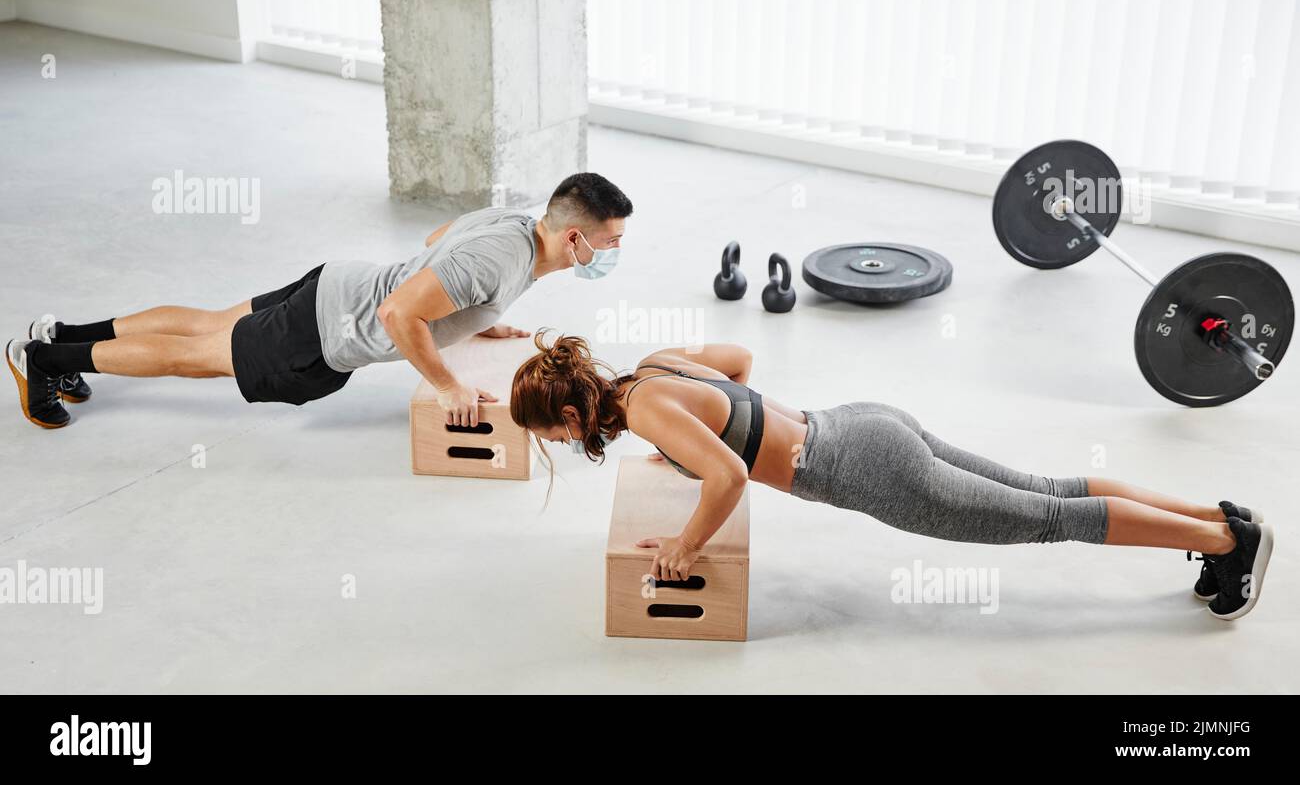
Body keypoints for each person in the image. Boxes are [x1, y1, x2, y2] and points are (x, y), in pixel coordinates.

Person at [509, 333, 1274, 621]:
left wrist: (682, 545)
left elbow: (730, 482)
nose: (557, 444)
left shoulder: (644, 413)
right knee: (1054, 489)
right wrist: (688, 444)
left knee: (1049, 518)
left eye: (549, 435)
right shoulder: (651, 368)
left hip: (866, 470)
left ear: (571, 420)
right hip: (863, 421)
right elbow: (737, 363)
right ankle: (1216, 515)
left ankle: (1226, 539)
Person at [7, 174, 632, 429]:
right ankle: (44, 359)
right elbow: (397, 314)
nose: (613, 252)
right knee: (191, 356)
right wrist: (447, 385)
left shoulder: (517, 224)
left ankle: (62, 333)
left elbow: (436, 244)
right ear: (575, 237)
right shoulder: (502, 261)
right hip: (330, 329)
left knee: (207, 321)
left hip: (335, 284)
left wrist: (474, 318)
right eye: (610, 242)